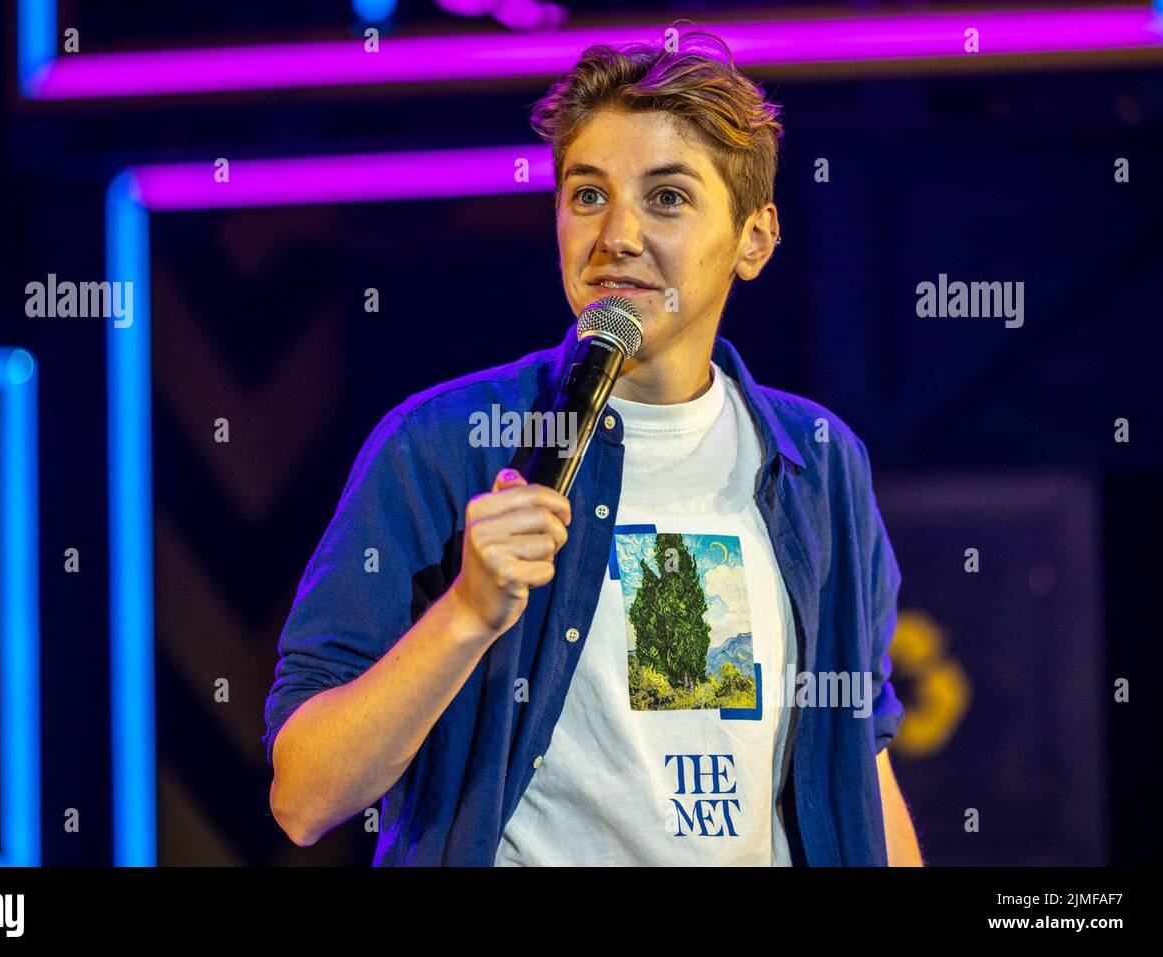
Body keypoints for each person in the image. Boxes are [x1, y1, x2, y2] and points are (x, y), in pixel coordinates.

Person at [263, 30, 923, 866]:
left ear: (754, 240)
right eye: (587, 195)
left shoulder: (821, 463)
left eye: (668, 198)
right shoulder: (442, 445)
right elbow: (304, 794)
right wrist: (467, 612)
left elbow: (859, 761)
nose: (616, 235)